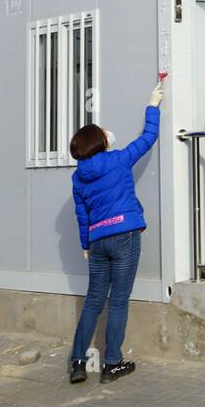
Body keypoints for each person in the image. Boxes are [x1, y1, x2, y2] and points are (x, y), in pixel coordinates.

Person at [68, 82, 164, 385]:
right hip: (125, 234)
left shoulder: (78, 176)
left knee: (94, 300)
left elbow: (81, 214)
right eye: (104, 132)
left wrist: (86, 244)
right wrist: (153, 104)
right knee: (119, 300)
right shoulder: (118, 159)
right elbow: (148, 138)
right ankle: (112, 364)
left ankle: (78, 363)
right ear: (100, 141)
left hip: (97, 241)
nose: (109, 133)